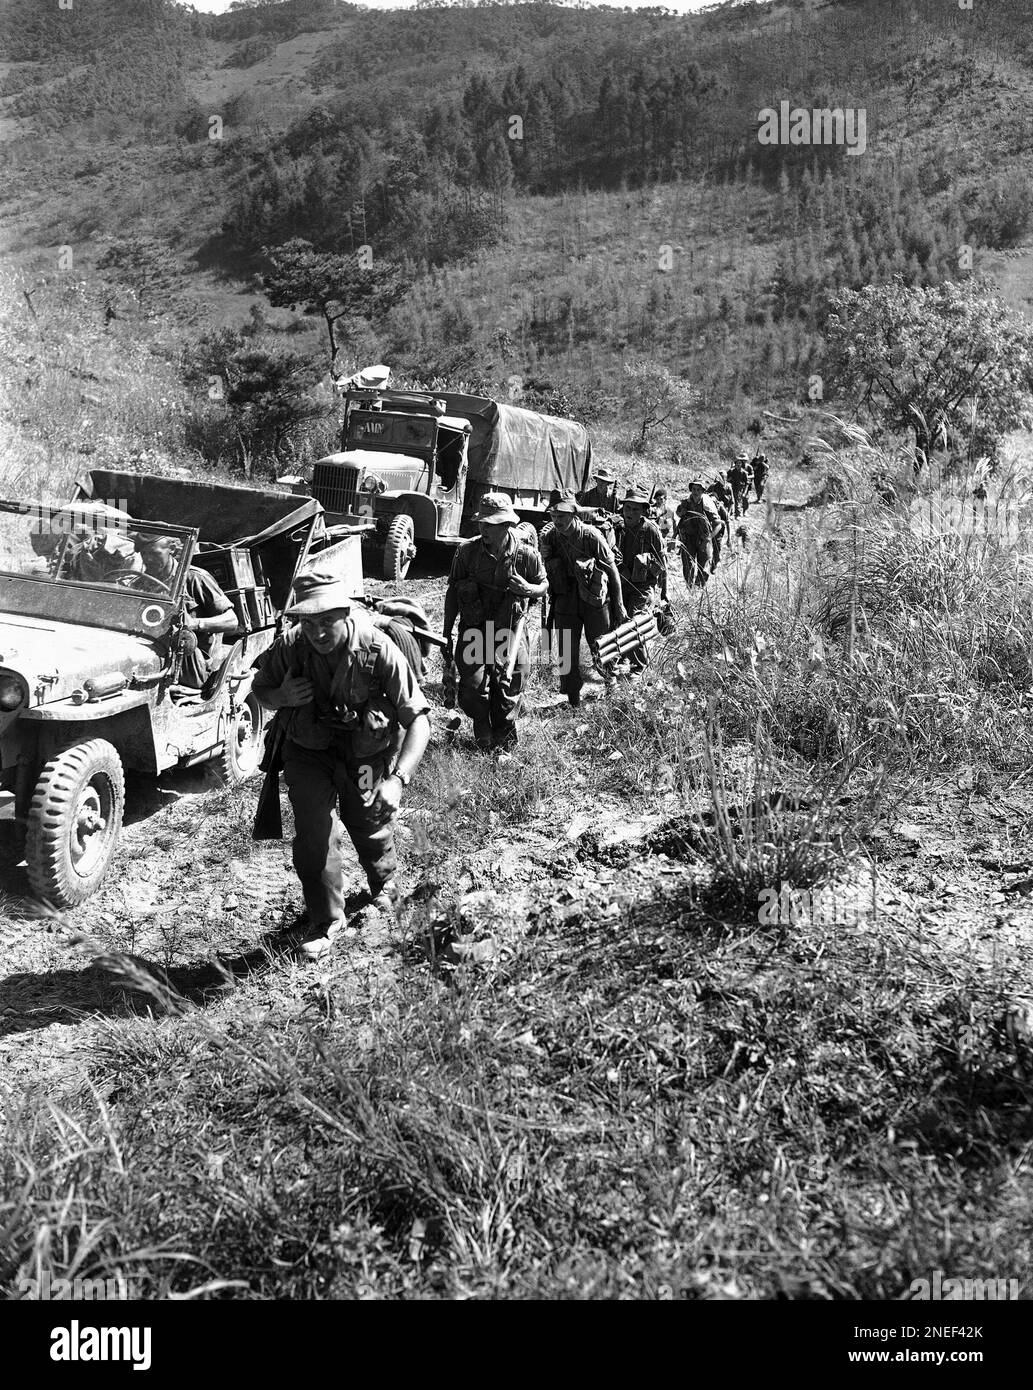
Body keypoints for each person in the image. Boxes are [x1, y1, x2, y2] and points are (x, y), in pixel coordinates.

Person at [252, 563, 431, 961]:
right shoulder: (291, 645)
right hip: (308, 752)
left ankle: (384, 884)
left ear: (346, 614)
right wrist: (281, 697)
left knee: (369, 821)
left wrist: (398, 779)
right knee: (314, 835)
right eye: (309, 621)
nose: (317, 632)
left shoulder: (378, 648)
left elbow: (418, 720)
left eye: (327, 621)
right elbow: (259, 689)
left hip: (365, 753)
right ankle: (328, 919)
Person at [442, 493, 547, 752]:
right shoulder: (466, 552)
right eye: (481, 523)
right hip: (474, 630)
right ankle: (483, 729)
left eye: (490, 524)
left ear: (507, 525)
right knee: (472, 690)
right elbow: (453, 593)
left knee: (509, 685)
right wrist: (446, 632)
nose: (483, 529)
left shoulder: (527, 556)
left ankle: (504, 742)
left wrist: (528, 589)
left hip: (510, 630)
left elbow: (543, 586)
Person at [540, 490, 627, 708]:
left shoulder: (591, 536)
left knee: (602, 645)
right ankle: (573, 700)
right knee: (566, 652)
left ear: (574, 514)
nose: (557, 521)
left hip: (594, 599)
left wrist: (618, 605)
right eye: (554, 516)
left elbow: (612, 570)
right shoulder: (550, 537)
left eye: (562, 516)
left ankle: (611, 685)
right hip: (565, 599)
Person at [136, 534, 237, 690]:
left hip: (190, 660)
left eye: (154, 554)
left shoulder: (194, 578)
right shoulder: (141, 581)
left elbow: (232, 620)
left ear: (172, 549)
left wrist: (195, 624)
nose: (148, 559)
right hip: (150, 650)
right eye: (144, 554)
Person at [676, 478, 723, 587]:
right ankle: (689, 588)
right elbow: (678, 514)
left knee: (704, 566)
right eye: (694, 489)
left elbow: (718, 524)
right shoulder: (686, 502)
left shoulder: (707, 505)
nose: (696, 492)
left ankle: (698, 589)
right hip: (688, 538)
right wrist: (681, 512)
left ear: (702, 491)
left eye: (698, 490)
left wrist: (708, 538)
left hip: (703, 538)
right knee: (687, 564)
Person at [576, 466, 622, 551]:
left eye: (604, 481)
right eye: (600, 480)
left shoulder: (614, 497)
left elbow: (619, 516)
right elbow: (579, 510)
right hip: (590, 529)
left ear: (608, 483)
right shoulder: (588, 495)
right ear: (596, 480)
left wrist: (610, 518)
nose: (601, 483)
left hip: (608, 531)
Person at [727, 453, 753, 517]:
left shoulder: (746, 469)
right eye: (737, 463)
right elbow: (726, 478)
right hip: (733, 488)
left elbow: (747, 482)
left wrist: (744, 491)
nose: (739, 464)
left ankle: (741, 512)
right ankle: (732, 514)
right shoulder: (732, 470)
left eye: (740, 462)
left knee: (742, 500)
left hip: (741, 488)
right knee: (732, 501)